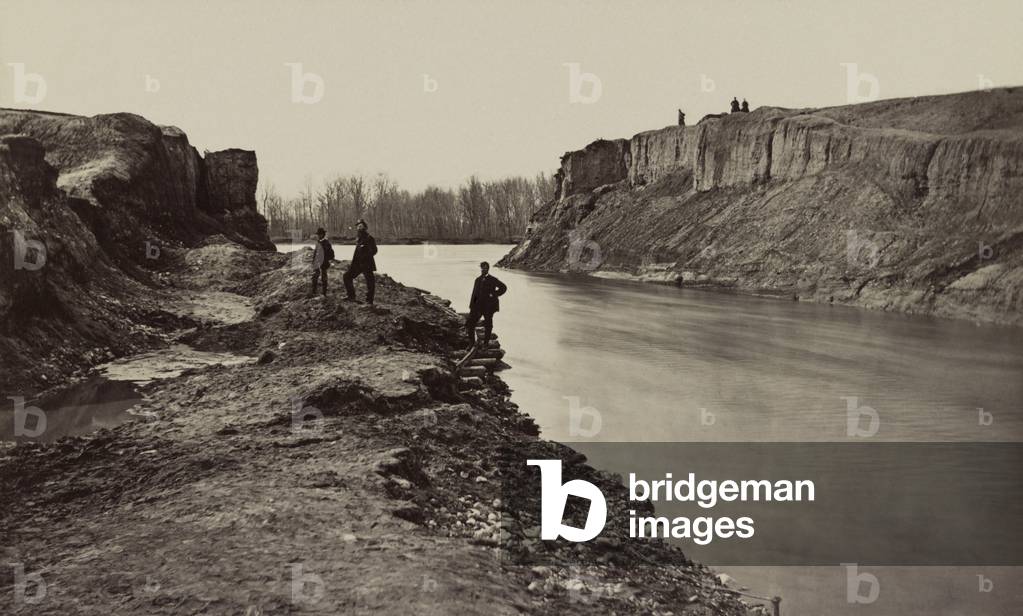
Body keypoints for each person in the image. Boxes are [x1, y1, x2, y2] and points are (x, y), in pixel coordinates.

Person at [465, 261, 507, 348]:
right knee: (470, 323)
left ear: (488, 269)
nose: (484, 269)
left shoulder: (493, 279)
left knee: (488, 325)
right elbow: (474, 294)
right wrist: (472, 306)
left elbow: (503, 287)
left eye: (486, 268)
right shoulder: (477, 280)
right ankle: (471, 343)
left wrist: (494, 294)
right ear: (480, 269)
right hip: (477, 306)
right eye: (482, 268)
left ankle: (486, 344)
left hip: (488, 307)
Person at [343, 219, 377, 304]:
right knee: (347, 276)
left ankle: (369, 301)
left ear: (365, 227)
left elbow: (374, 250)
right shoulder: (358, 238)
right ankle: (351, 296)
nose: (359, 228)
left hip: (367, 264)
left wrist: (366, 256)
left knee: (370, 282)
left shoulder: (369, 238)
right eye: (358, 226)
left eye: (361, 226)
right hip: (357, 264)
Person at [310, 227, 333, 297]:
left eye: (320, 234)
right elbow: (315, 252)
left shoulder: (327, 243)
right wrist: (313, 261)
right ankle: (314, 292)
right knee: (314, 277)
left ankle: (324, 293)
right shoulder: (318, 242)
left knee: (324, 278)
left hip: (324, 263)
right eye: (318, 234)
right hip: (317, 263)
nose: (319, 236)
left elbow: (332, 254)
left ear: (323, 234)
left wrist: (326, 259)